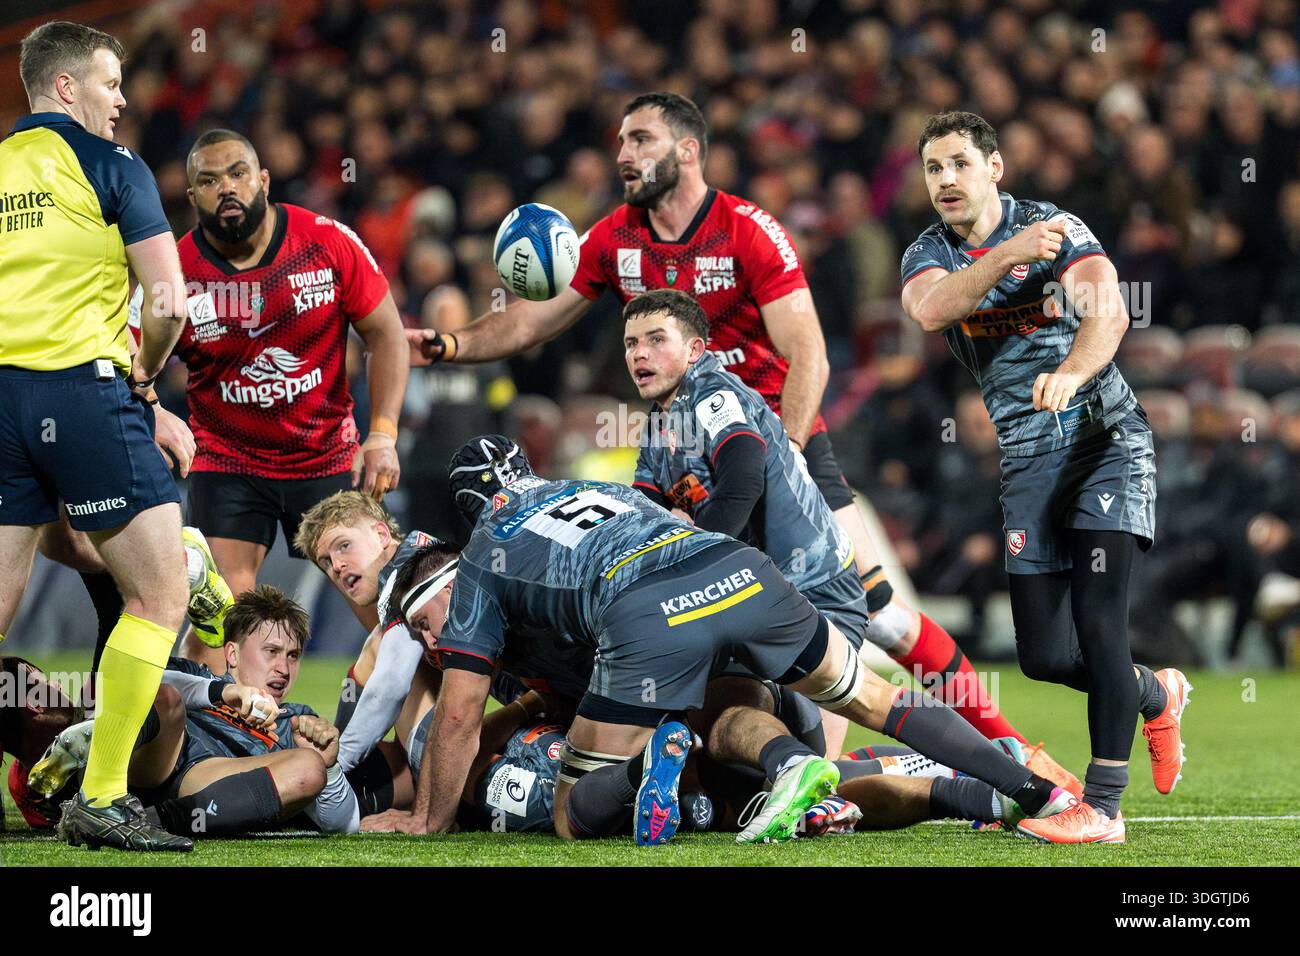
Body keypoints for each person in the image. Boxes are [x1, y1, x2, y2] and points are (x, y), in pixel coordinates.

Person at [406, 91, 999, 759]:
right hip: (684, 460)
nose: (624, 155)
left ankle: (1001, 748)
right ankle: (761, 769)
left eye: (641, 141)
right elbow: (528, 321)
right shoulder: (612, 238)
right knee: (721, 628)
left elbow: (808, 352)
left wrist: (793, 454)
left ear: (687, 150)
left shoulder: (748, 229)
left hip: (773, 444)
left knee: (880, 616)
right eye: (622, 142)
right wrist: (447, 345)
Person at [362, 436, 1074, 846]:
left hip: (648, 614)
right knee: (874, 699)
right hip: (736, 570)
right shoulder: (589, 484)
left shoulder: (486, 553)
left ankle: (686, 772)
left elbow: (457, 714)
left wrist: (428, 821)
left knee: (572, 817)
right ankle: (1032, 793)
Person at [622, 287, 1080, 794]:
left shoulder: (714, 395)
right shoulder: (659, 424)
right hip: (754, 598)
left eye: (655, 339)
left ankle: (967, 767)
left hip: (812, 594)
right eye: (631, 343)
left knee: (813, 774)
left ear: (695, 351)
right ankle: (979, 762)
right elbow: (645, 511)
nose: (638, 353)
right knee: (754, 766)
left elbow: (744, 480)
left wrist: (694, 550)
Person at [900, 110, 1190, 844]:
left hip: (1102, 439)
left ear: (995, 167)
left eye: (960, 163)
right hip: (1029, 460)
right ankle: (1156, 691)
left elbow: (1109, 311)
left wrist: (1070, 370)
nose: (946, 180)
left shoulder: (1057, 225)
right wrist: (1009, 255)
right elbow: (935, 309)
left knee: (1099, 624)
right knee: (1044, 656)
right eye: (934, 168)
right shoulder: (927, 254)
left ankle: (1104, 809)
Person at [0, 20, 191, 851]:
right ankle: (105, 797)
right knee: (161, 595)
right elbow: (170, 304)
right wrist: (146, 382)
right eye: (111, 83)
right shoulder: (115, 166)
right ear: (69, 87)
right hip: (82, 393)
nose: (122, 98)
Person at [172, 128, 408, 668]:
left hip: (326, 454)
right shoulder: (174, 271)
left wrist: (383, 433)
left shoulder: (326, 241)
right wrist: (154, 411)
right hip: (228, 459)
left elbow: (387, 334)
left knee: (379, 602)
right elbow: (127, 358)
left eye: (237, 173)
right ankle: (219, 741)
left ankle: (417, 739)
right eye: (208, 180)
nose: (225, 188)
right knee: (225, 615)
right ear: (193, 198)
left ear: (263, 179)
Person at [30, 585, 357, 839]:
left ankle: (145, 819)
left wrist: (329, 767)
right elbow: (133, 679)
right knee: (162, 695)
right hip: (154, 760)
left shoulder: (297, 720)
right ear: (233, 653)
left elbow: (344, 825)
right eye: (271, 652)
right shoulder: (201, 680)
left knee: (309, 767)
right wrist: (224, 692)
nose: (283, 668)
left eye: (293, 656)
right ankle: (90, 745)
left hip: (208, 783)